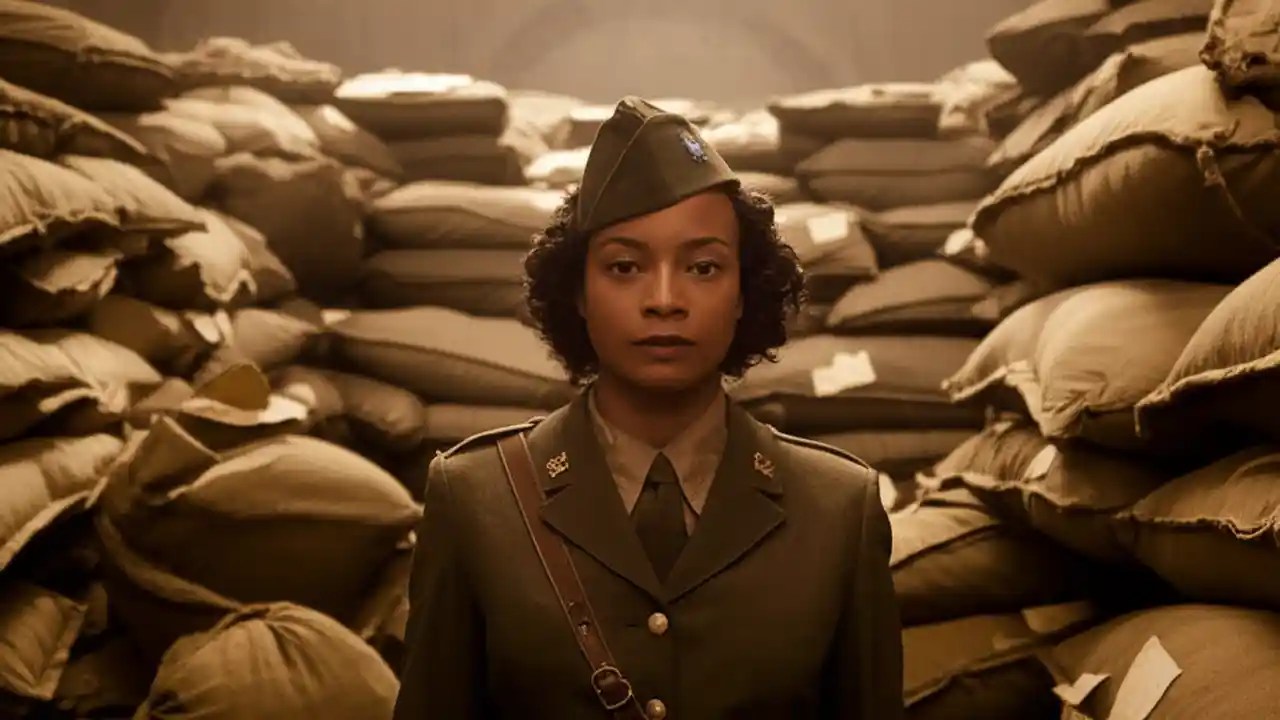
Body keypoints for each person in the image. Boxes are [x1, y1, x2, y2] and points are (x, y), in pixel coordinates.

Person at [392, 96, 903, 720]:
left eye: (704, 267)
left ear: (745, 292)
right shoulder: (477, 498)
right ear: (578, 291)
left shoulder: (836, 509)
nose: (664, 299)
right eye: (626, 266)